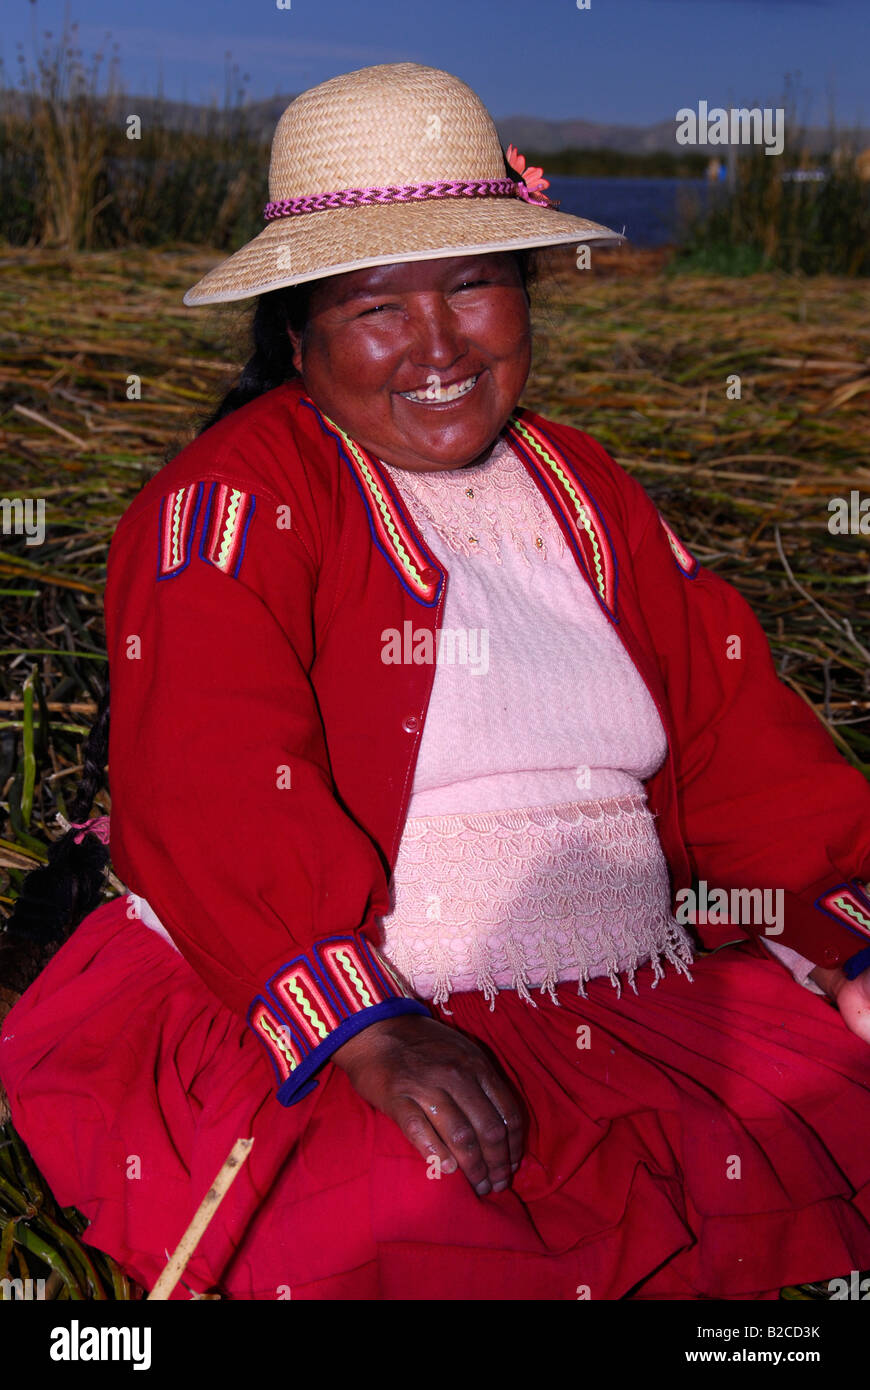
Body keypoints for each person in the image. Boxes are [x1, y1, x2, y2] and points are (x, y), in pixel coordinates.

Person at [2, 62, 870, 1303]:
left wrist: (839, 917)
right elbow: (210, 769)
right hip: (347, 988)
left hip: (632, 987)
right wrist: (367, 1025)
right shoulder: (232, 504)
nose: (440, 347)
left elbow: (733, 728)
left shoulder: (585, 485)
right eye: (377, 309)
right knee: (417, 1213)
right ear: (294, 335)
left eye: (474, 285)